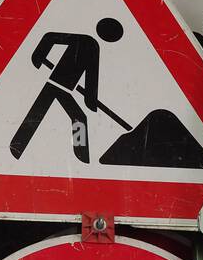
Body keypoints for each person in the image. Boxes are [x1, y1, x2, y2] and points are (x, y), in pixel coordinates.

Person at [9, 17, 123, 164]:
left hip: (62, 88)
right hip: (54, 85)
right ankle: (18, 146)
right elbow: (50, 37)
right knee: (63, 116)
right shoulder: (88, 42)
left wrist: (90, 100)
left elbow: (91, 78)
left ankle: (80, 156)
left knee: (68, 116)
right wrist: (38, 57)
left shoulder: (92, 46)